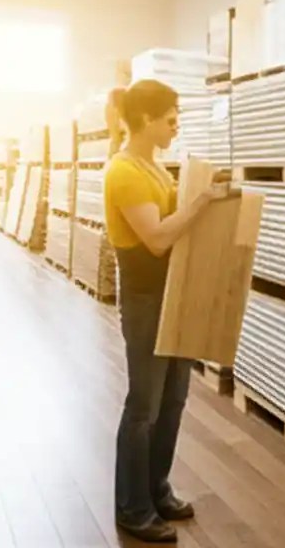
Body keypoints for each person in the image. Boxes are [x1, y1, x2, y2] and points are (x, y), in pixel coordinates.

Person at [105, 79, 226, 543]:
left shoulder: (153, 168)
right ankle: (132, 508)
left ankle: (156, 490)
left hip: (172, 295)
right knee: (144, 407)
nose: (176, 126)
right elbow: (156, 240)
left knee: (173, 400)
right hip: (145, 301)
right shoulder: (124, 172)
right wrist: (200, 202)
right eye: (171, 119)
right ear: (145, 120)